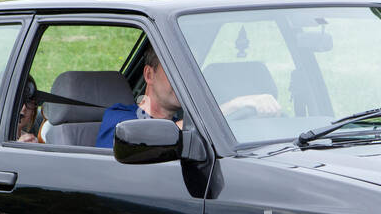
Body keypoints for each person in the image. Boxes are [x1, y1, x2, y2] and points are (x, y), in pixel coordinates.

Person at [95, 48, 280, 149]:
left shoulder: (189, 123)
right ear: (149, 75)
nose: (185, 81)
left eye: (191, 73)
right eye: (176, 72)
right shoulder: (119, 118)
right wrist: (232, 105)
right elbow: (155, 136)